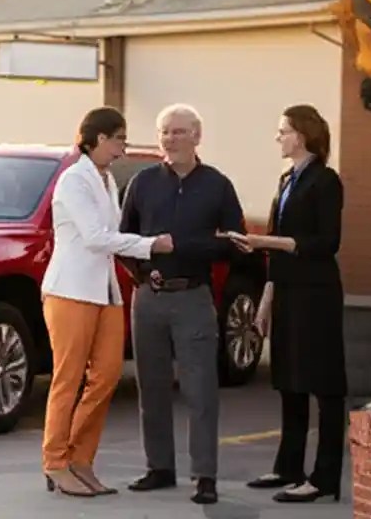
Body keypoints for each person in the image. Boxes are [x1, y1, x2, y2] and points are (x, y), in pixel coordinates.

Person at [40, 106, 173, 498]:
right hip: (71, 291)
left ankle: (80, 458)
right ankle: (55, 461)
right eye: (119, 139)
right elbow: (97, 237)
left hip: (105, 291)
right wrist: (151, 245)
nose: (122, 147)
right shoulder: (73, 180)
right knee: (68, 378)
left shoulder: (105, 178)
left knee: (108, 374)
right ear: (98, 138)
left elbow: (109, 235)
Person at [119, 104, 244, 505]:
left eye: (178, 132)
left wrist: (182, 246)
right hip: (148, 299)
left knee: (200, 390)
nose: (170, 139)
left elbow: (234, 242)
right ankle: (159, 468)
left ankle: (204, 475)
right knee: (151, 387)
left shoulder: (217, 185)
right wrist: (143, 270)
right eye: (164, 132)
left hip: (193, 297)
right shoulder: (142, 183)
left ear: (196, 136)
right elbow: (123, 238)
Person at [229, 104, 346, 503]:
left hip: (317, 295)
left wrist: (265, 241)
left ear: (303, 134)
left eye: (283, 131)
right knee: (289, 381)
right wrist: (265, 302)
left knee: (324, 385)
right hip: (287, 293)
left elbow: (326, 243)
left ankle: (325, 477)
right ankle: (288, 467)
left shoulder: (325, 181)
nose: (277, 137)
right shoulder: (287, 179)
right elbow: (278, 251)